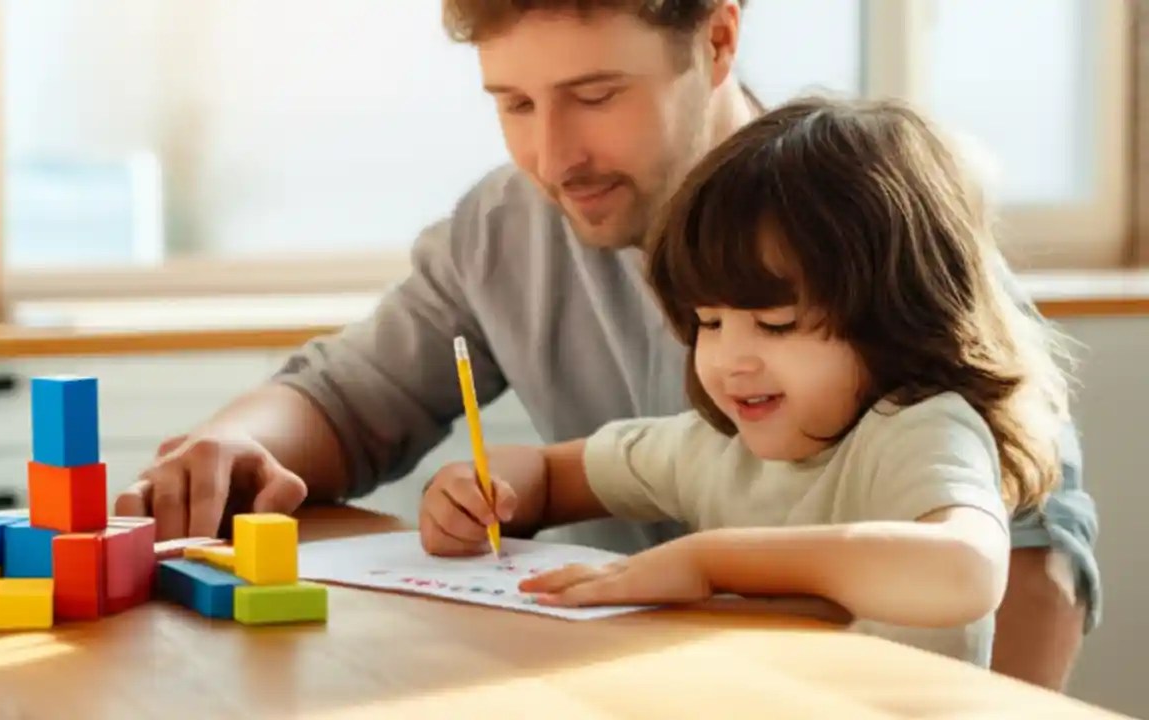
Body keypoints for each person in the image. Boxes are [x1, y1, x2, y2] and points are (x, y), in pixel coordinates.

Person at [115, 0, 1099, 687]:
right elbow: (343, 396)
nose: (551, 159)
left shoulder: (865, 222)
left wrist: (717, 561)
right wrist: (236, 447)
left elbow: (1023, 563)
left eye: (594, 96)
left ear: (715, 40)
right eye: (512, 104)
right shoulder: (509, 226)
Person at [419, 95, 1070, 667]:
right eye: (709, 321)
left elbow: (965, 570)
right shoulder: (715, 447)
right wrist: (483, 491)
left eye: (776, 324)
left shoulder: (919, 430)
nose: (732, 358)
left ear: (896, 314)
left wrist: (709, 562)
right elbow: (552, 475)